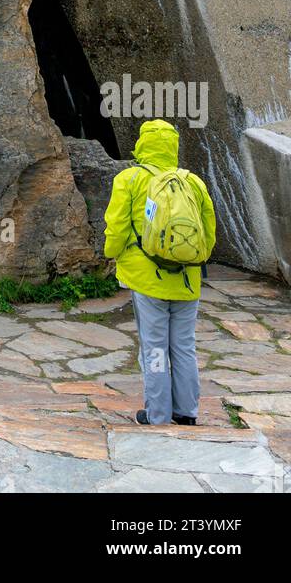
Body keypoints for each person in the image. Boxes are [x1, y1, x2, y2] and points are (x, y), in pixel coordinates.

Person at [103, 118, 216, 427]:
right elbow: (209, 234)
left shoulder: (130, 179)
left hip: (146, 279)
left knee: (154, 347)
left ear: (143, 145)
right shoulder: (193, 183)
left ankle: (158, 415)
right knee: (184, 346)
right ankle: (187, 413)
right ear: (173, 147)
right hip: (186, 278)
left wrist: (111, 254)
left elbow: (116, 228)